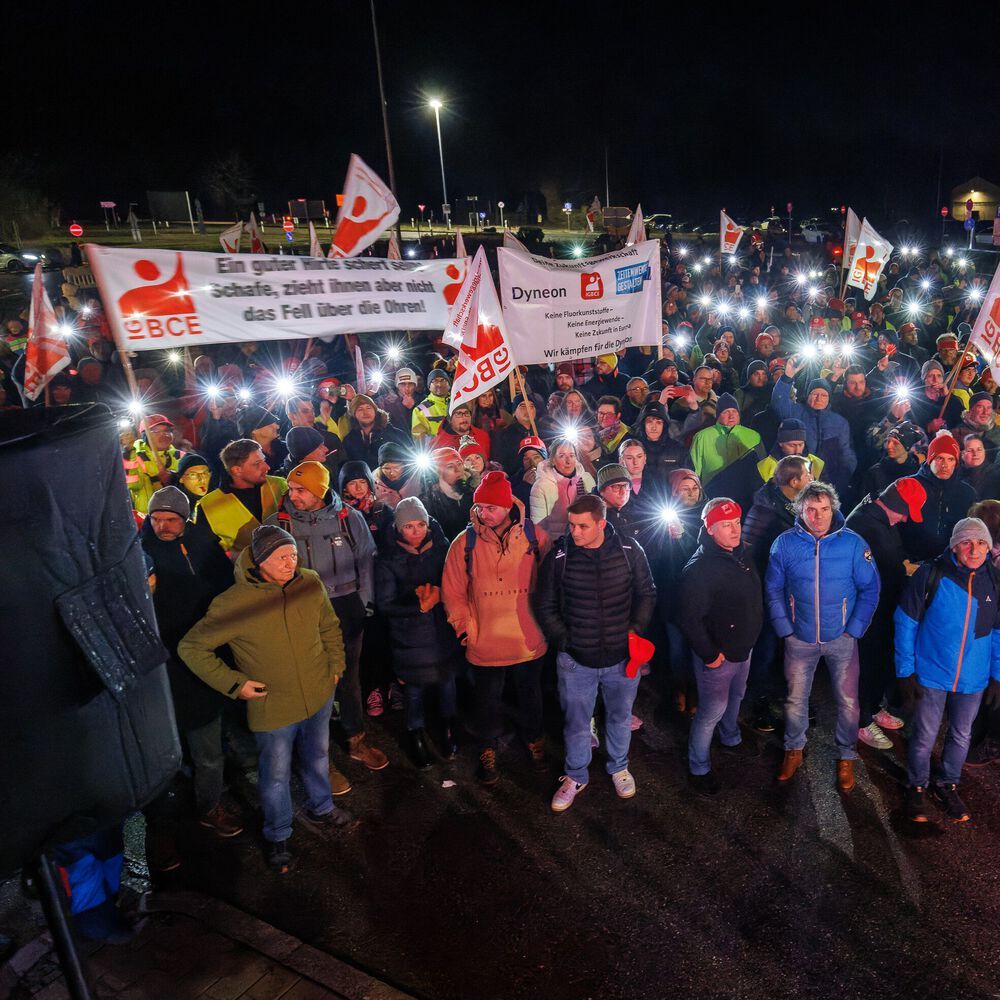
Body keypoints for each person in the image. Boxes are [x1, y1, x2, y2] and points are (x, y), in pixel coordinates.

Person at [179, 525, 353, 875]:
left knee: (319, 757)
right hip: (274, 706)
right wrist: (234, 685)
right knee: (274, 774)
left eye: (292, 555)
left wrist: (336, 666)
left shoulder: (309, 582)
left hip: (319, 693)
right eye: (280, 558)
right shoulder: (233, 603)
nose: (291, 563)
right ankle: (278, 834)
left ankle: (322, 807)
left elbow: (329, 627)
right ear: (259, 561)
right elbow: (192, 647)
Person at [534, 495, 656, 812]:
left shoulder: (629, 550)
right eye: (572, 525)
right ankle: (575, 774)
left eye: (583, 526)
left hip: (621, 656)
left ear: (602, 524)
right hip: (576, 660)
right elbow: (544, 604)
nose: (575, 532)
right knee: (576, 723)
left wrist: (635, 629)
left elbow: (646, 592)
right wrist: (564, 639)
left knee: (618, 717)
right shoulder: (559, 557)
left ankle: (619, 766)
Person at [141, 487, 244, 859]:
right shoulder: (138, 554)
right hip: (160, 668)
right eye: (157, 519)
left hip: (202, 660)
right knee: (162, 754)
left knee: (208, 748)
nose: (163, 526)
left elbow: (227, 590)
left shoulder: (203, 547)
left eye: (171, 519)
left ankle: (208, 806)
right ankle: (159, 827)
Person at [267, 461, 386, 777]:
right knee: (309, 681)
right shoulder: (279, 523)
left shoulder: (349, 518)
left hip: (346, 607)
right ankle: (316, 757)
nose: (293, 495)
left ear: (319, 490)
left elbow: (366, 561)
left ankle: (355, 739)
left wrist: (364, 604)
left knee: (348, 676)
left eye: (300, 489)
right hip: (303, 610)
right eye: (291, 489)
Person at [765, 482, 881, 790]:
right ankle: (793, 749)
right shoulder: (784, 543)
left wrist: (854, 629)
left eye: (825, 510)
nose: (818, 517)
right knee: (794, 700)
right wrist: (785, 629)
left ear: (834, 509)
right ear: (801, 511)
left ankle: (846, 756)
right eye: (811, 510)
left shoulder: (853, 544)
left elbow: (870, 588)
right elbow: (773, 588)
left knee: (848, 702)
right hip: (799, 638)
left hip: (841, 639)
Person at [442, 471, 552, 785]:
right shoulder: (465, 542)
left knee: (530, 695)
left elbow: (552, 580)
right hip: (485, 640)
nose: (483, 513)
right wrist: (466, 630)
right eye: (479, 507)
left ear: (507, 507)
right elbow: (453, 591)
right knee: (487, 700)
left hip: (528, 637)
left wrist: (547, 623)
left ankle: (535, 742)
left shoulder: (535, 536)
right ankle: (487, 749)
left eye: (491, 507)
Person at [895, 518, 1000, 824]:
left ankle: (947, 784)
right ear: (955, 545)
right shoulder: (931, 574)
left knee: (961, 734)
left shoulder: (994, 580)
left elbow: (997, 634)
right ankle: (916, 785)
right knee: (925, 735)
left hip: (974, 678)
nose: (974, 549)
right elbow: (905, 623)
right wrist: (905, 672)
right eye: (967, 542)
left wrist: (997, 675)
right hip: (932, 672)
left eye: (981, 543)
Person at [679, 498, 763, 796]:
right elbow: (690, 620)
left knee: (736, 697)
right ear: (710, 528)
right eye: (726, 525)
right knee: (710, 712)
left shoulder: (741, 552)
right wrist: (711, 656)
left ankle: (731, 738)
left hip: (743, 649)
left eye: (737, 523)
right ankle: (698, 767)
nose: (734, 530)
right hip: (719, 656)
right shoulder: (700, 568)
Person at [376, 497, 463, 769]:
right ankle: (416, 734)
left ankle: (448, 728)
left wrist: (442, 597)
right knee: (414, 690)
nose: (416, 531)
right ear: (398, 529)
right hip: (409, 638)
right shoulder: (388, 558)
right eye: (409, 526)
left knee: (447, 683)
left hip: (441, 632)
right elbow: (386, 604)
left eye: (421, 524)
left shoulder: (442, 548)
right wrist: (418, 606)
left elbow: (455, 582)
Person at [845, 478, 927, 750]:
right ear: (895, 504)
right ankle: (861, 720)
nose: (905, 519)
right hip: (869, 612)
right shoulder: (867, 525)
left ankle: (874, 706)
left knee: (880, 662)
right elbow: (882, 572)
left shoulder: (880, 518)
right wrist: (905, 572)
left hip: (882, 608)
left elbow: (895, 556)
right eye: (905, 512)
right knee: (868, 665)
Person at [771, 358, 856, 495]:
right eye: (814, 394)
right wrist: (787, 377)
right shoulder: (796, 412)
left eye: (824, 395)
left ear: (829, 398)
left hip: (830, 484)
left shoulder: (840, 422)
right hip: (796, 482)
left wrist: (839, 484)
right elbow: (778, 402)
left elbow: (847, 456)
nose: (819, 398)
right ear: (807, 395)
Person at [196, 439, 288, 555]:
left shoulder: (279, 485)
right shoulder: (209, 505)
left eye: (263, 460)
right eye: (256, 464)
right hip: (242, 571)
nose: (267, 467)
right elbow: (208, 552)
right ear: (237, 470)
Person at [899, 432, 976, 562]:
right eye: (940, 458)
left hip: (952, 563)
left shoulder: (967, 493)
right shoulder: (909, 485)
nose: (945, 465)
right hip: (912, 561)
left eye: (950, 459)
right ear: (930, 460)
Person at [689, 393, 762, 486]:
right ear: (718, 415)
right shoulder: (702, 437)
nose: (731, 416)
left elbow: (762, 467)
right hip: (712, 493)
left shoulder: (754, 436)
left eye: (734, 411)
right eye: (726, 412)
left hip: (745, 492)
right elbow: (694, 471)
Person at [529, 438, 596, 537]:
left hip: (585, 539)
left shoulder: (586, 479)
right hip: (557, 544)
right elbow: (539, 527)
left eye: (572, 455)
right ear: (553, 460)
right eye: (562, 456)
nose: (568, 461)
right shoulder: (541, 486)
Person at [128, 414, 186, 514]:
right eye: (155, 431)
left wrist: (173, 478)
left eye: (167, 430)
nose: (164, 435)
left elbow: (195, 490)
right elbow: (131, 486)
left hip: (178, 517)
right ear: (145, 436)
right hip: (145, 519)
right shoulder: (132, 457)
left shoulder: (182, 457)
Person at [419, 446, 474, 542]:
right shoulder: (429, 502)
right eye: (450, 466)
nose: (457, 470)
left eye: (459, 464)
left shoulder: (472, 493)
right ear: (438, 472)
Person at [412, 369, 451, 441]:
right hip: (436, 449)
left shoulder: (458, 402)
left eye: (443, 380)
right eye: (434, 381)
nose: (439, 384)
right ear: (429, 386)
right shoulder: (420, 409)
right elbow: (419, 439)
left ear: (449, 384)